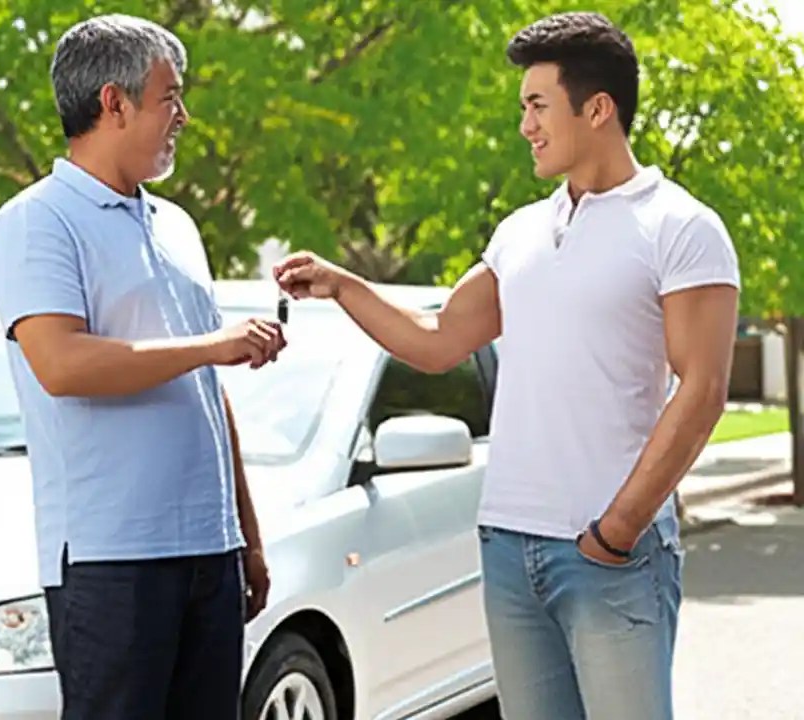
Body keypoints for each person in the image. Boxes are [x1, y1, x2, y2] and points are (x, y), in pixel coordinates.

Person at [272, 12, 739, 720]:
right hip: (509, 548)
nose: (525, 126)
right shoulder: (521, 232)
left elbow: (701, 389)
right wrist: (343, 286)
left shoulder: (681, 227)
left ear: (598, 109)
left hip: (611, 554)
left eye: (538, 105)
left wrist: (617, 529)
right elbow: (437, 339)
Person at [0, 14, 286, 720]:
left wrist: (244, 534)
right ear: (113, 102)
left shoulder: (177, 225)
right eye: (169, 97)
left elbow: (205, 391)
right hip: (111, 558)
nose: (183, 116)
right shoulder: (38, 220)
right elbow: (61, 363)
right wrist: (212, 345)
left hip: (209, 550)